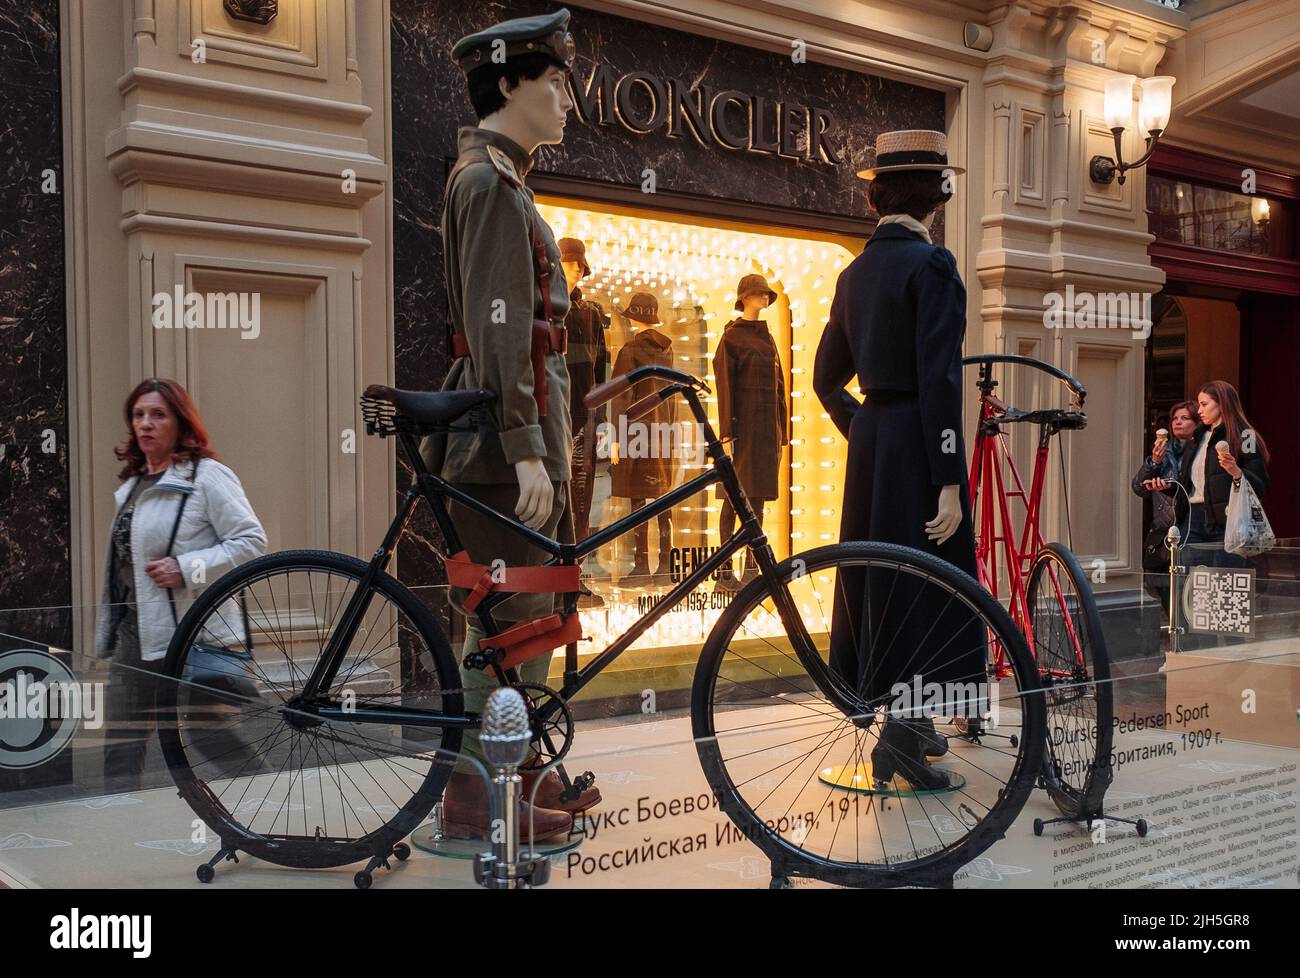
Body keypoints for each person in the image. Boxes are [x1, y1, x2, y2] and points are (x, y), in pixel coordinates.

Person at [418, 8, 599, 842]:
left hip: (517, 432)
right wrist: (529, 450)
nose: (567, 97)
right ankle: (474, 799)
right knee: (505, 633)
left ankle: (512, 775)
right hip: (499, 445)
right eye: (556, 81)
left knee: (514, 630)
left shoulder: (504, 176)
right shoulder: (490, 184)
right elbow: (501, 332)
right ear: (512, 81)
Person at [814, 129, 980, 791]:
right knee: (929, 588)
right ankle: (905, 741)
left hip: (875, 448)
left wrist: (864, 428)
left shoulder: (852, 274)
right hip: (918, 444)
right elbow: (940, 381)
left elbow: (826, 378)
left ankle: (907, 731)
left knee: (882, 584)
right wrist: (947, 479)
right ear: (934, 194)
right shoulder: (931, 266)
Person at [92, 379, 266, 791]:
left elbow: (252, 542)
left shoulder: (207, 476)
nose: (146, 424)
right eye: (138, 415)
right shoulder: (135, 485)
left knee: (209, 736)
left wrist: (186, 567)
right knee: (121, 738)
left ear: (180, 422)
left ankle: (280, 806)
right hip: (137, 633)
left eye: (158, 414)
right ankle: (117, 833)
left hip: (194, 634)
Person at [1149, 380, 1270, 566]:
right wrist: (1168, 487)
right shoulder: (1196, 439)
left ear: (1222, 403)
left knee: (1226, 582)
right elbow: (1191, 484)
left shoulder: (1245, 435)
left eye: (1204, 404)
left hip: (1229, 520)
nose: (1199, 411)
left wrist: (1236, 472)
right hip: (1193, 519)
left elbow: (1260, 484)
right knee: (1192, 583)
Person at [1132, 399, 1197, 603]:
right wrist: (1154, 463)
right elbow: (1138, 488)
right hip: (1163, 535)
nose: (1177, 422)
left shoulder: (1201, 452)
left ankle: (1186, 634)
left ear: (1197, 422)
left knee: (1190, 597)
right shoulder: (1163, 453)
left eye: (1184, 418)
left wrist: (1170, 487)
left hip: (1190, 531)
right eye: (1174, 419)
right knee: (1167, 595)